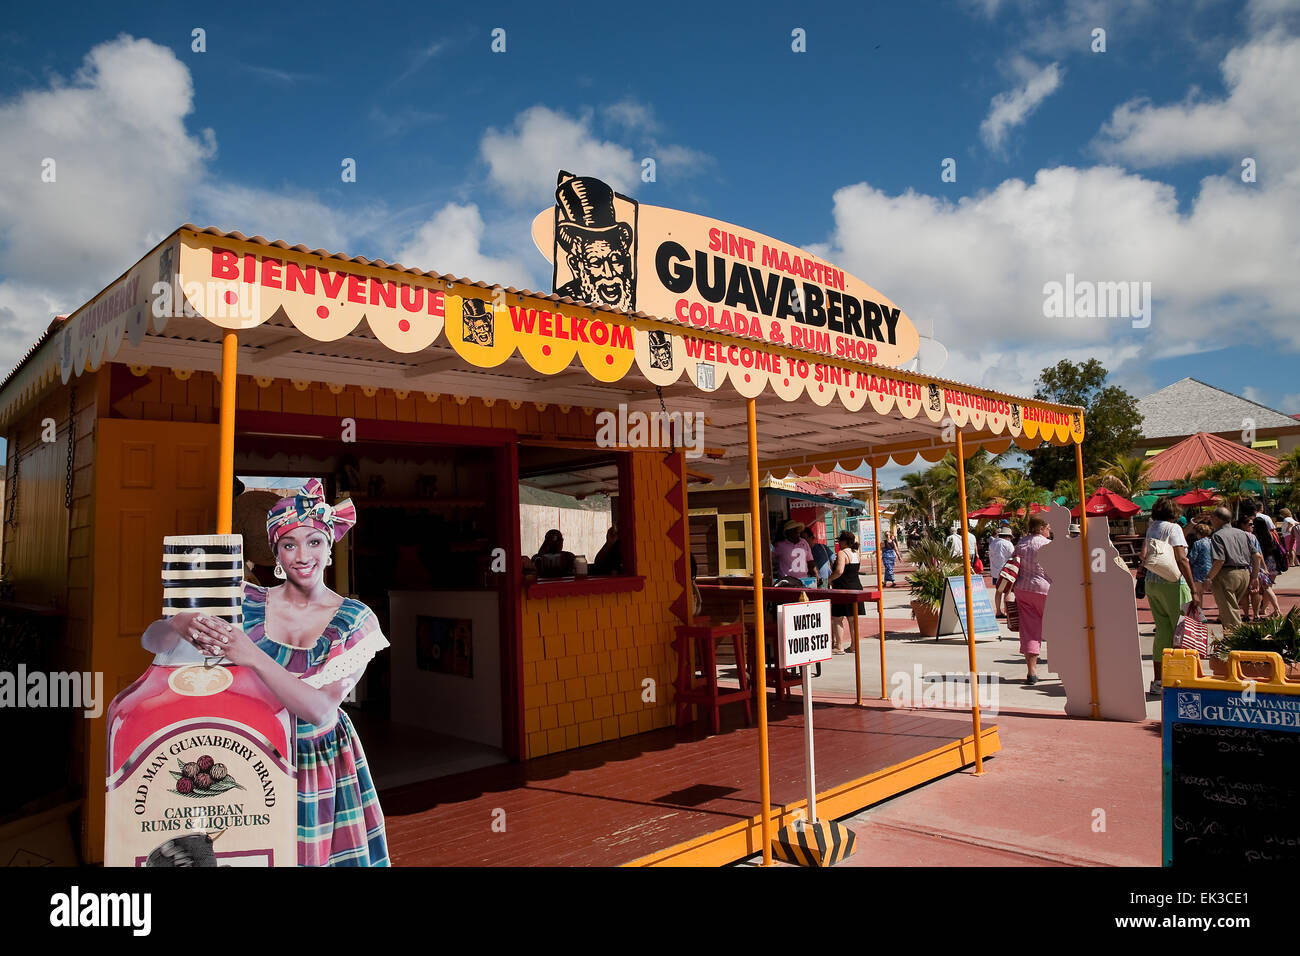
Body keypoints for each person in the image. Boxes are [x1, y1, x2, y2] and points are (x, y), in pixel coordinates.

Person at [144, 478, 390, 866]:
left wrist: (252, 656)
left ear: (329, 548)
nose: (302, 555)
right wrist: (180, 619)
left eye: (314, 542)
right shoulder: (245, 599)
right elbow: (153, 644)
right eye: (289, 544)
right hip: (244, 753)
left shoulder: (354, 621)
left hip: (312, 760)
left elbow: (320, 711)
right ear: (276, 552)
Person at [1141, 497, 1198, 694]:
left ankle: (1159, 680)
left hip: (1153, 582)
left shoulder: (1152, 527)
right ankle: (1181, 678)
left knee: (1163, 631)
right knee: (1183, 631)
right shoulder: (1173, 529)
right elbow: (1181, 558)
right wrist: (1194, 588)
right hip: (1174, 583)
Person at [1206, 505, 1259, 634]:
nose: (1210, 520)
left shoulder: (1217, 535)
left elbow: (1219, 560)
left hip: (1226, 574)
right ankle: (1231, 640)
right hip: (1244, 573)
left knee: (1230, 612)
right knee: (1230, 610)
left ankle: (1236, 643)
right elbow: (1256, 556)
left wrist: (1208, 578)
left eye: (1212, 517)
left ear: (1218, 519)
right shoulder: (1242, 533)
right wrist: (1254, 576)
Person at [1012, 515, 1052, 684]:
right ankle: (1063, 668)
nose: (1050, 530)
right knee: (1057, 630)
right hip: (1046, 590)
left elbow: (1013, 565)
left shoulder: (1021, 543)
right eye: (1048, 527)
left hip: (1023, 589)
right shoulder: (1048, 545)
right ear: (1041, 528)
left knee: (1029, 631)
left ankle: (1031, 672)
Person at [828, 530, 863, 654]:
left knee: (838, 618)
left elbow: (839, 571)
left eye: (839, 541)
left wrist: (830, 579)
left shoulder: (842, 553)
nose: (838, 543)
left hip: (843, 588)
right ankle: (854, 646)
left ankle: (839, 646)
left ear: (844, 541)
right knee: (853, 619)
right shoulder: (856, 553)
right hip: (856, 587)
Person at [1252, 514, 1283, 618]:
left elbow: (1258, 552)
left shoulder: (1255, 536)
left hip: (1263, 562)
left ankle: (1275, 609)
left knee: (1266, 588)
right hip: (1273, 561)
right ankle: (1264, 609)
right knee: (1268, 587)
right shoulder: (1271, 534)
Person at [988, 526, 1015, 617]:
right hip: (1005, 571)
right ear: (1008, 536)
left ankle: (999, 611)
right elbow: (1013, 555)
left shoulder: (992, 543)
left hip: (995, 571)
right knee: (1007, 591)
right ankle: (1007, 612)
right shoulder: (1008, 544)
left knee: (998, 591)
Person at [1186, 521, 1214, 608]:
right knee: (1216, 593)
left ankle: (1199, 613)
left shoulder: (1197, 543)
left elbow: (1193, 557)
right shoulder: (1212, 542)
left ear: (1198, 533)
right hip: (1212, 570)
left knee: (1198, 594)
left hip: (1198, 571)